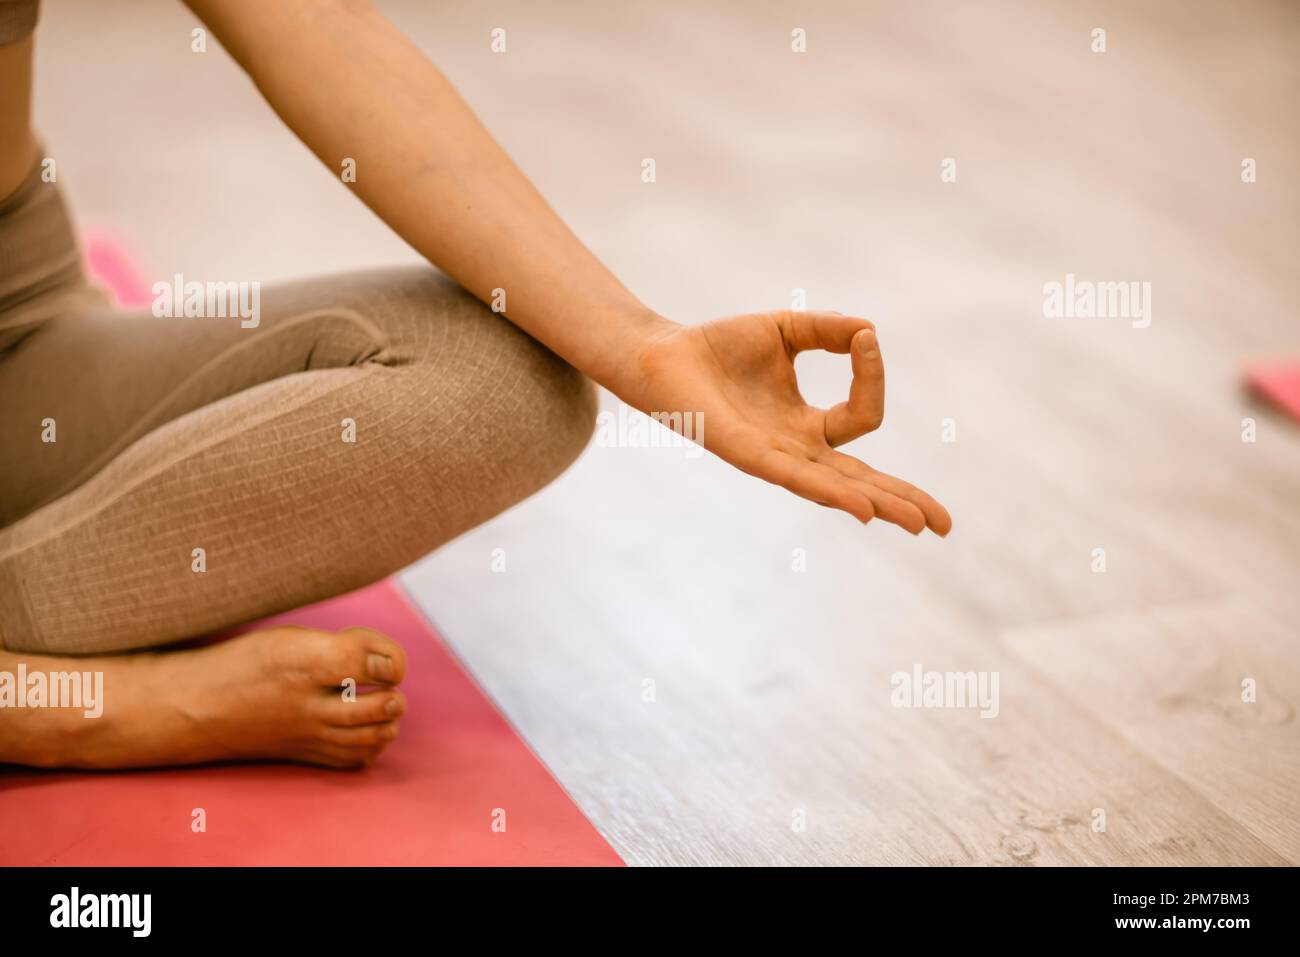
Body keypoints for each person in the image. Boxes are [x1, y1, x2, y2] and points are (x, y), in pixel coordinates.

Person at [0, 0, 950, 770]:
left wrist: (641, 344)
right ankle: (71, 705)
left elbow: (314, 20)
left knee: (507, 382)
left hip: (26, 317)